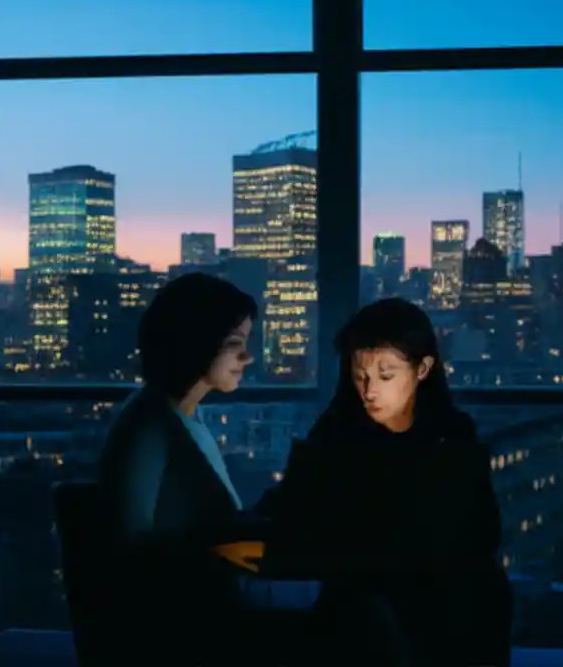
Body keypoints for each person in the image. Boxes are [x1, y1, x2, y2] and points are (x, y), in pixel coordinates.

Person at [249, 297, 513, 666]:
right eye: (360, 376)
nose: (369, 390)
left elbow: (482, 532)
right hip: (362, 595)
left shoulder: (451, 438)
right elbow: (292, 507)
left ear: (422, 369)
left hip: (434, 595)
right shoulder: (337, 431)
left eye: (386, 376)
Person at [95, 272, 315, 666]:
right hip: (191, 629)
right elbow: (128, 545)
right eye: (235, 345)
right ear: (196, 345)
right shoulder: (151, 425)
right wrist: (220, 545)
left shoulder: (181, 419)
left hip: (210, 610)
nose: (246, 358)